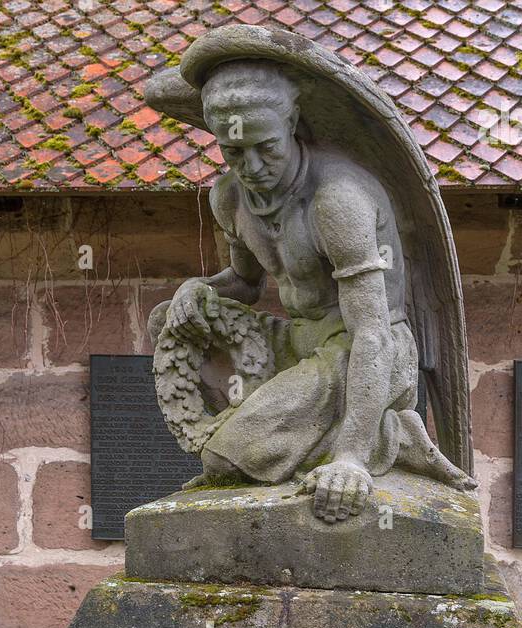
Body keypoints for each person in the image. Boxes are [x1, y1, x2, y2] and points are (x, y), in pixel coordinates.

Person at [150, 59, 476, 524]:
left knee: (228, 457)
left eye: (266, 148)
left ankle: (381, 434)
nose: (252, 166)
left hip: (366, 350)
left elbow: (373, 332)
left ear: (292, 125)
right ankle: (314, 427)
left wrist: (350, 458)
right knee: (169, 321)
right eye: (234, 151)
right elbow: (243, 284)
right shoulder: (229, 197)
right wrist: (194, 289)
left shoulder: (336, 199)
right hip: (299, 344)